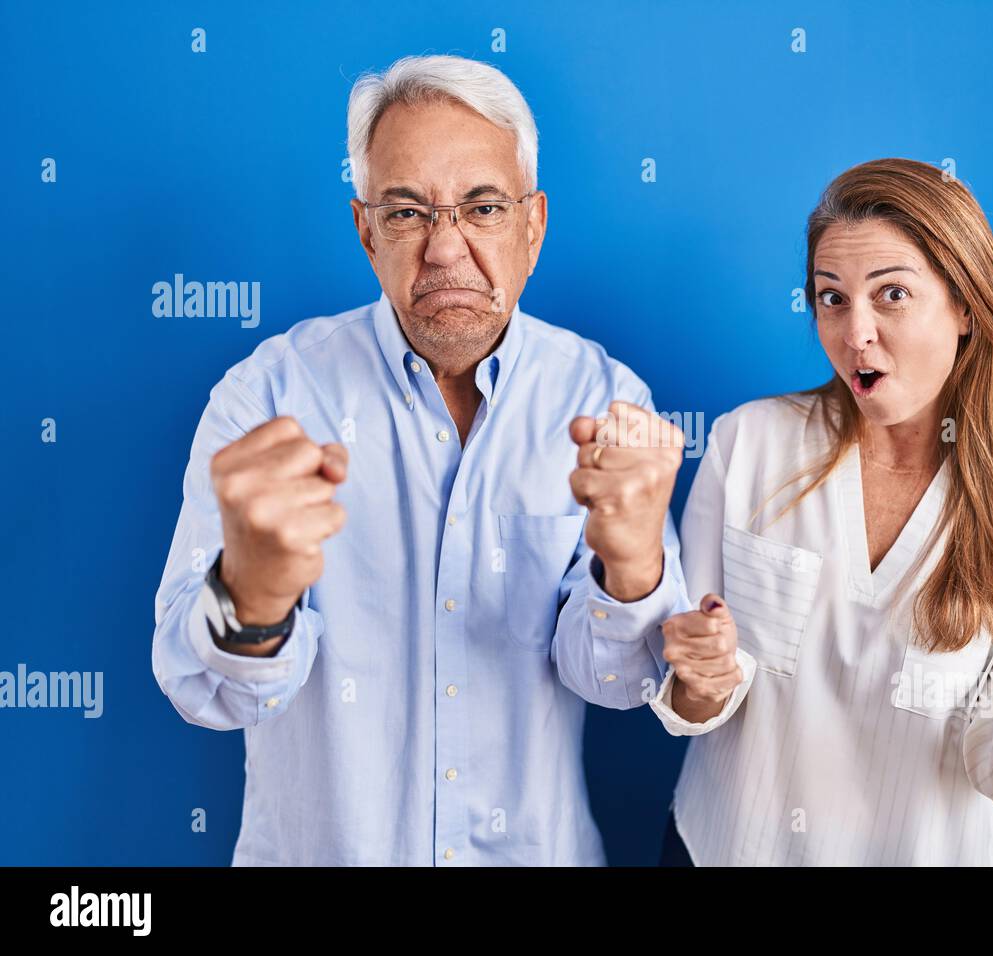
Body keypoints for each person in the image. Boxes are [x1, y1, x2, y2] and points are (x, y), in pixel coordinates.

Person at [151, 54, 690, 866]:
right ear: (366, 230)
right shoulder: (267, 397)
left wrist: (634, 567)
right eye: (406, 213)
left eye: (482, 207)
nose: (445, 249)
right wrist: (253, 601)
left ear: (533, 225)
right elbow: (205, 691)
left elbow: (613, 682)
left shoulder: (603, 397)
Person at [649, 158, 993, 866]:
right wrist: (697, 677)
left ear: (966, 307)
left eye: (891, 294)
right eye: (830, 298)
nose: (854, 332)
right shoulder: (748, 443)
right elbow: (698, 698)